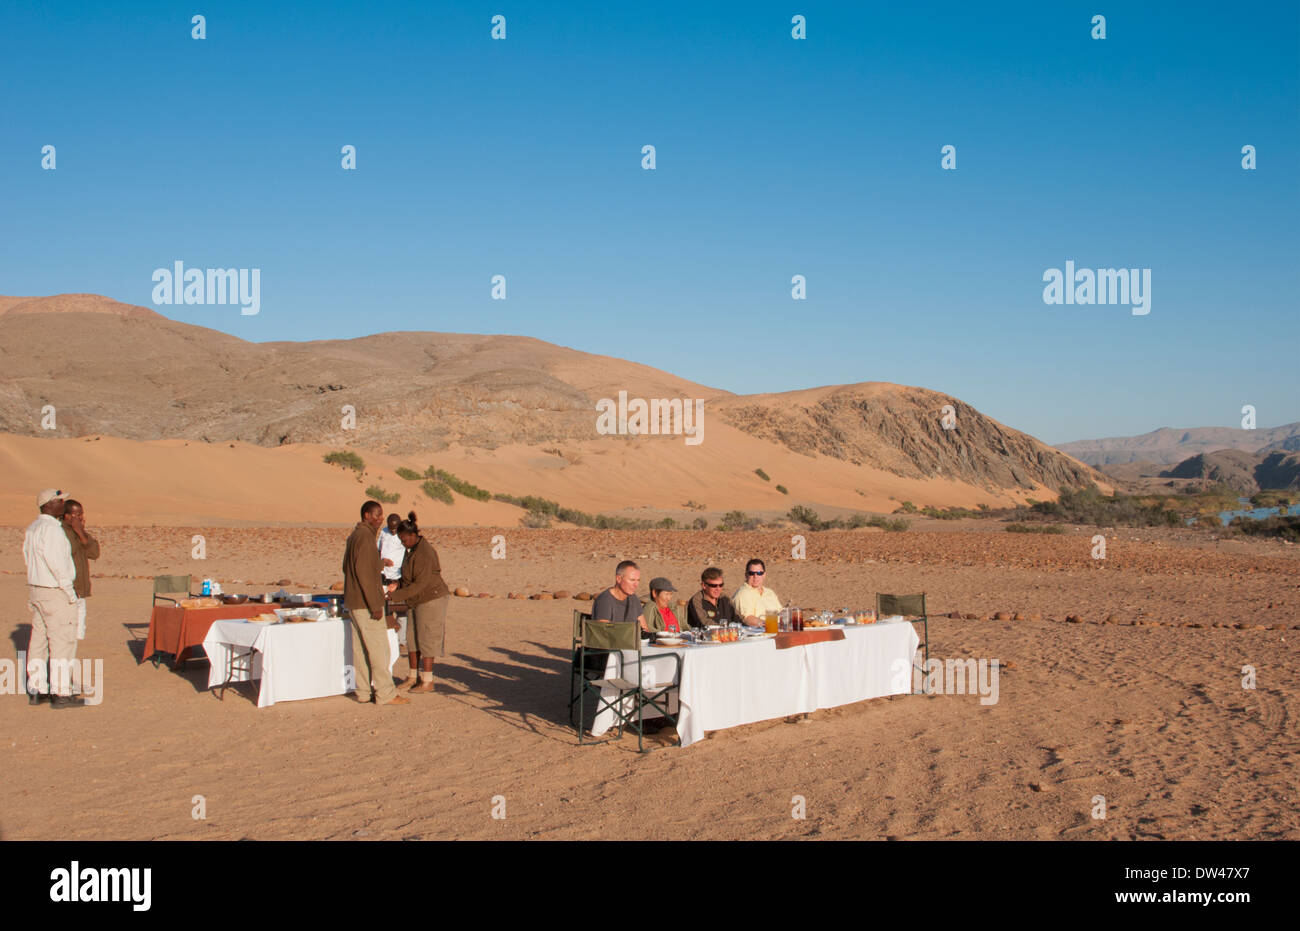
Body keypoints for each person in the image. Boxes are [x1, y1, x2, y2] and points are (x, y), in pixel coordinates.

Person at [342, 500, 409, 706]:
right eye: (377, 515)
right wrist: (374, 604)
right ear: (366, 516)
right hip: (365, 603)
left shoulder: (355, 536)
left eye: (381, 515)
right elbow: (364, 574)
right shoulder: (364, 537)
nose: (381, 519)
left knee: (361, 650)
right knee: (379, 650)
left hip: (354, 602)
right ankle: (385, 693)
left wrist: (378, 563)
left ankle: (363, 692)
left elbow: (349, 567)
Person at [22, 489, 83, 708]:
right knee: (61, 642)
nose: (63, 503)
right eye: (59, 501)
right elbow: (57, 564)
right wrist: (69, 592)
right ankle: (61, 693)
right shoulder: (53, 531)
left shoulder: (33, 528)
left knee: (38, 641)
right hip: (55, 591)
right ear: (48, 505)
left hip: (38, 590)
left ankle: (37, 689)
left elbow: (29, 559)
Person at [387, 512, 451, 694]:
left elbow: (420, 583)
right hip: (415, 600)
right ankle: (412, 676)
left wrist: (395, 596)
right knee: (412, 638)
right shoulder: (411, 550)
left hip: (431, 598)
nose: (402, 543)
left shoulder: (425, 553)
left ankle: (427, 680)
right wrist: (397, 584)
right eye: (400, 540)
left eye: (404, 540)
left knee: (427, 638)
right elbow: (408, 577)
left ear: (413, 536)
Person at [733, 558, 781, 627]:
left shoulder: (770, 593)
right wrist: (771, 625)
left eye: (759, 573)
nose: (755, 576)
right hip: (756, 634)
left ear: (764, 575)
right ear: (746, 575)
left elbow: (781, 612)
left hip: (777, 631)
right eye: (751, 573)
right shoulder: (743, 594)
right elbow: (747, 619)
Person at [591, 560, 642, 624]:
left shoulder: (633, 599)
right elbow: (603, 631)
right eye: (632, 580)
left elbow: (644, 627)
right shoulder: (604, 601)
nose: (636, 584)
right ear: (619, 579)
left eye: (638, 580)